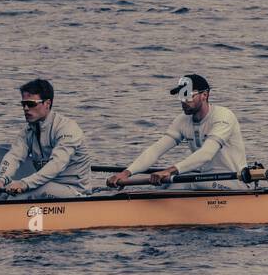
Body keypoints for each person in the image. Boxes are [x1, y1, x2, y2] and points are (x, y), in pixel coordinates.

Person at [106, 73, 247, 191]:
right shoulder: (182, 121)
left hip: (232, 180)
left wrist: (169, 171)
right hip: (204, 178)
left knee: (182, 182)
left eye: (188, 95)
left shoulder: (223, 116)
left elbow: (206, 154)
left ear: (204, 95)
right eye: (181, 96)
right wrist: (126, 173)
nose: (184, 101)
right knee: (162, 185)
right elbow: (156, 150)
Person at [0, 78, 92, 199]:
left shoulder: (67, 128)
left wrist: (24, 183)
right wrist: (0, 180)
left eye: (31, 104)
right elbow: (14, 156)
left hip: (74, 190)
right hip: (46, 185)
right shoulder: (28, 131)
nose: (25, 108)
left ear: (47, 104)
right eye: (23, 104)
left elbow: (56, 164)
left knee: (20, 196)